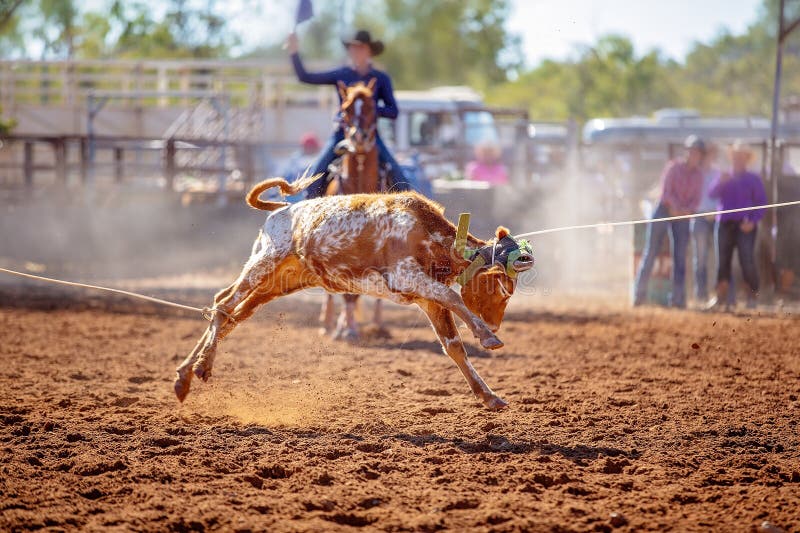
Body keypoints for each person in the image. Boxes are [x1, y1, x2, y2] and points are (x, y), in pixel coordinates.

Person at [285, 29, 409, 197]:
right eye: (353, 48)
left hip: (371, 136)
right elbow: (305, 76)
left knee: (399, 177)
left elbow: (393, 111)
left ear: (369, 50)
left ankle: (408, 214)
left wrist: (366, 109)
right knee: (315, 176)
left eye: (360, 48)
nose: (356, 51)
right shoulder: (342, 74)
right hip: (342, 135)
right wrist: (294, 52)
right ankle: (308, 212)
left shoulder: (381, 78)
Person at [633, 135, 705, 308]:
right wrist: (676, 208)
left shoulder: (699, 176)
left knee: (680, 257)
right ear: (687, 152)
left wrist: (683, 211)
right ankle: (639, 295)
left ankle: (678, 299)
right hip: (664, 210)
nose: (694, 155)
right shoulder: (673, 168)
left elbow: (696, 200)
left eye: (698, 153)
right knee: (651, 251)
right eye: (692, 151)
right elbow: (666, 192)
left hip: (682, 215)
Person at [706, 141, 767, 310]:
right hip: (724, 223)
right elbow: (711, 193)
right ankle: (721, 298)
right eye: (735, 156)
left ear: (746, 159)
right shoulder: (725, 176)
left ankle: (752, 297)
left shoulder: (753, 179)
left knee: (746, 260)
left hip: (744, 225)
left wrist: (753, 221)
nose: (738, 159)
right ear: (732, 157)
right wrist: (721, 182)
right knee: (722, 261)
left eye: (741, 156)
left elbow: (762, 203)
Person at [691, 143, 721, 302]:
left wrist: (715, 211)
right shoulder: (696, 173)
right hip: (700, 217)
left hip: (715, 218)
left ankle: (716, 293)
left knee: (716, 258)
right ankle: (700, 294)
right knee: (700, 258)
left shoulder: (718, 173)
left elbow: (721, 196)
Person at [279, 132, 321, 203]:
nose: (312, 149)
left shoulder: (295, 159)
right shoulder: (296, 160)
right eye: (311, 147)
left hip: (305, 198)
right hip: (296, 199)